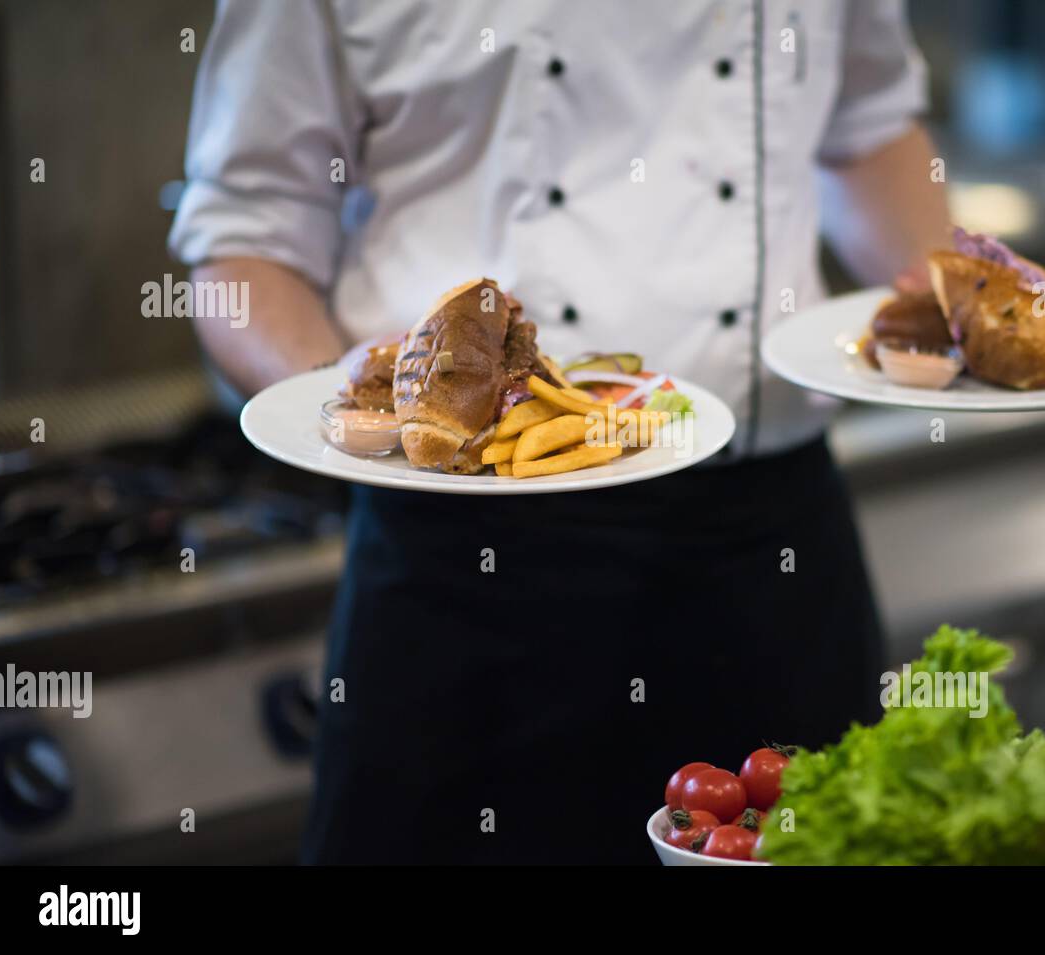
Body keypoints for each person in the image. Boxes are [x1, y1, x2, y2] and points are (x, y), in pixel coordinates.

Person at [170, 0, 951, 864]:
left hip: (770, 555)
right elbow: (242, 234)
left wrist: (965, 302)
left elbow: (870, 128)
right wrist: (350, 396)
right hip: (464, 558)